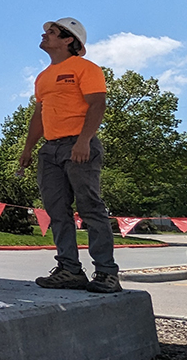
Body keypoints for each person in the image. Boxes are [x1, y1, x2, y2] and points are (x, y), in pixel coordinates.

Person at [18, 18, 121, 294]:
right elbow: (38, 115)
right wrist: (28, 149)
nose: (44, 35)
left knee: (91, 209)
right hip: (49, 150)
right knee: (57, 212)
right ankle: (69, 270)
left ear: (68, 41)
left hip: (78, 145)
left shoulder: (86, 69)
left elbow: (98, 104)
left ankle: (107, 273)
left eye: (51, 32)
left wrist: (84, 141)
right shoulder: (42, 77)